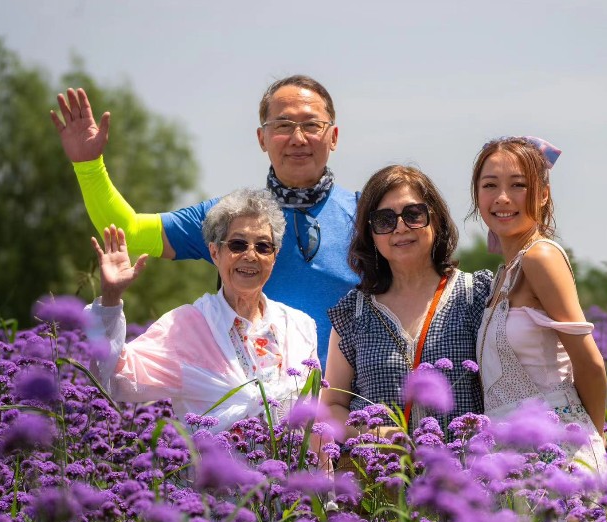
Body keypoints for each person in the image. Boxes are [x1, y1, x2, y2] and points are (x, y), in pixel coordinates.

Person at [51, 75, 357, 368]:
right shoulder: (228, 218)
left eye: (312, 125)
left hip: (359, 401)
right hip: (259, 398)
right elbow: (128, 232)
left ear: (334, 136)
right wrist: (88, 167)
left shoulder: (369, 216)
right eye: (283, 125)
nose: (298, 138)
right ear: (261, 138)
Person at [88, 189, 317, 430]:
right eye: (238, 244)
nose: (251, 255)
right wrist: (111, 297)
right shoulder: (183, 328)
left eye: (263, 247)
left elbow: (316, 423)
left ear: (275, 256)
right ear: (215, 252)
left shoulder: (298, 327)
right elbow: (111, 377)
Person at [322, 165, 493, 439]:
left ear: (435, 220)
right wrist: (377, 435)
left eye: (413, 214)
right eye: (384, 220)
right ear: (370, 233)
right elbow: (331, 405)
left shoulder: (475, 295)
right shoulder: (353, 311)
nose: (400, 227)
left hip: (463, 464)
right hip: (382, 465)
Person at [470, 137, 607, 474]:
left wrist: (594, 440)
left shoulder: (541, 256)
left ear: (543, 194)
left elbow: (589, 363)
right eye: (490, 185)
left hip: (559, 452)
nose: (503, 197)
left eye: (518, 185)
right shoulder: (505, 272)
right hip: (512, 456)